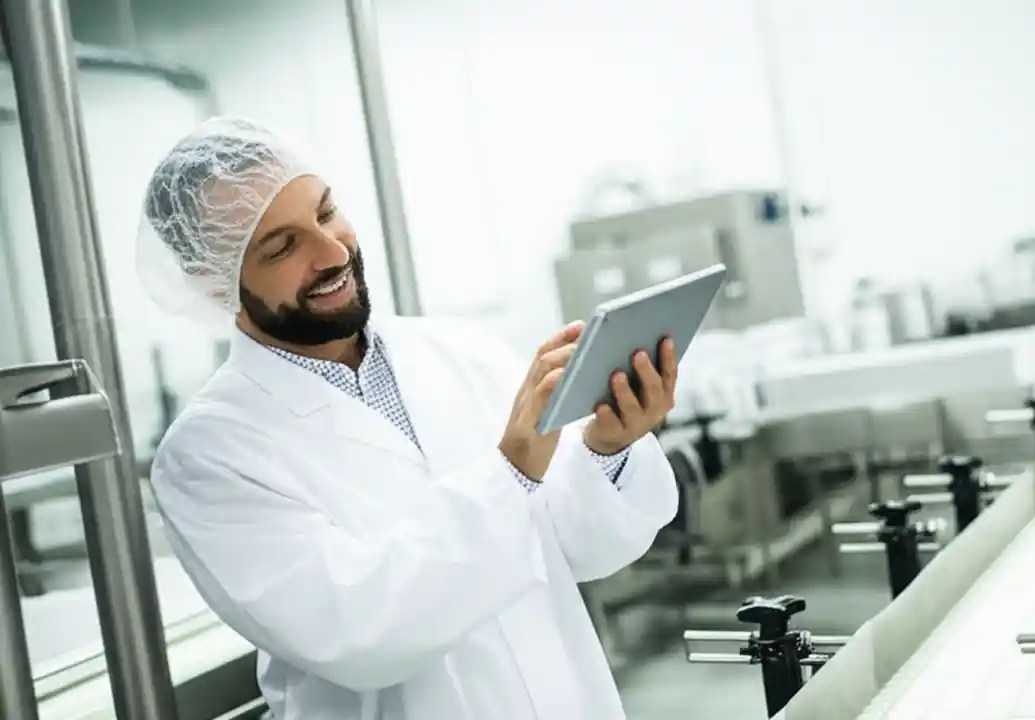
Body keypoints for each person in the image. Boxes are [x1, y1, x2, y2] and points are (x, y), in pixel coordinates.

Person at [138, 117, 678, 719]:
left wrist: (608, 448)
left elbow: (578, 547)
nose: (332, 251)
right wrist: (513, 470)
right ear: (217, 285)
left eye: (325, 213)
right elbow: (356, 632)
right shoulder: (208, 454)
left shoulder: (460, 351)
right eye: (283, 247)